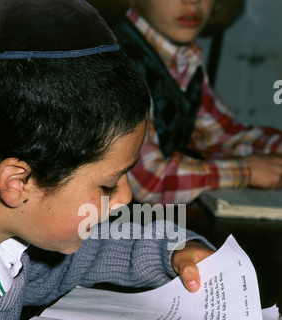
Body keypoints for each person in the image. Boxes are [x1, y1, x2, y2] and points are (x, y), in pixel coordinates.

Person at [0, 0, 267, 320]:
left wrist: (169, 251)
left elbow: (77, 255)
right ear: (17, 182)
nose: (126, 196)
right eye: (107, 184)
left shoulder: (8, 240)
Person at [116, 0, 282, 204]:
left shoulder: (183, 59)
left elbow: (222, 135)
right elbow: (149, 182)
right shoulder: (115, 64)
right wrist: (247, 170)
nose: (193, 1)